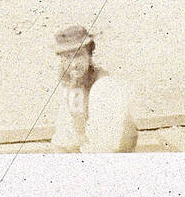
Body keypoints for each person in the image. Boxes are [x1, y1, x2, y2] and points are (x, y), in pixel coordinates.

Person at [50, 25, 138, 153]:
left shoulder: (104, 87)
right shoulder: (74, 87)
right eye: (67, 57)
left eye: (79, 55)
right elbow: (65, 137)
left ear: (89, 55)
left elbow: (106, 147)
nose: (73, 64)